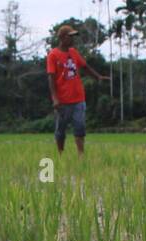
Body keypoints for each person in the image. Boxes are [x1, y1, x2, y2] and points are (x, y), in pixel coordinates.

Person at [46, 25, 108, 155]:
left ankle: (81, 155)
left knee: (80, 128)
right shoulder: (53, 55)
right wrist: (55, 99)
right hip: (62, 101)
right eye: (70, 36)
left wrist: (98, 77)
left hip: (78, 99)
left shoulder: (73, 52)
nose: (73, 39)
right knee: (61, 130)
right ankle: (60, 155)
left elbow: (85, 67)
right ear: (62, 38)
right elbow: (51, 78)